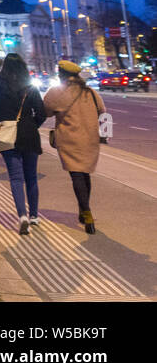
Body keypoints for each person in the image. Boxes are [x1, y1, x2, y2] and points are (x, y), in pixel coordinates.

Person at [0, 53, 47, 235]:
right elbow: (41, 112)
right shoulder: (29, 85)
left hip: (8, 134)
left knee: (16, 177)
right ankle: (34, 216)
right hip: (29, 134)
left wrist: (3, 121)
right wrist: (32, 124)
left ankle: (22, 216)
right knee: (31, 176)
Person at [43, 60, 107, 234]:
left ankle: (86, 212)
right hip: (90, 139)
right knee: (85, 173)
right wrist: (105, 134)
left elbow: (46, 111)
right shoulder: (90, 92)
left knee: (76, 174)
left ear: (61, 74)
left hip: (69, 140)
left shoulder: (56, 92)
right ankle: (83, 210)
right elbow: (103, 111)